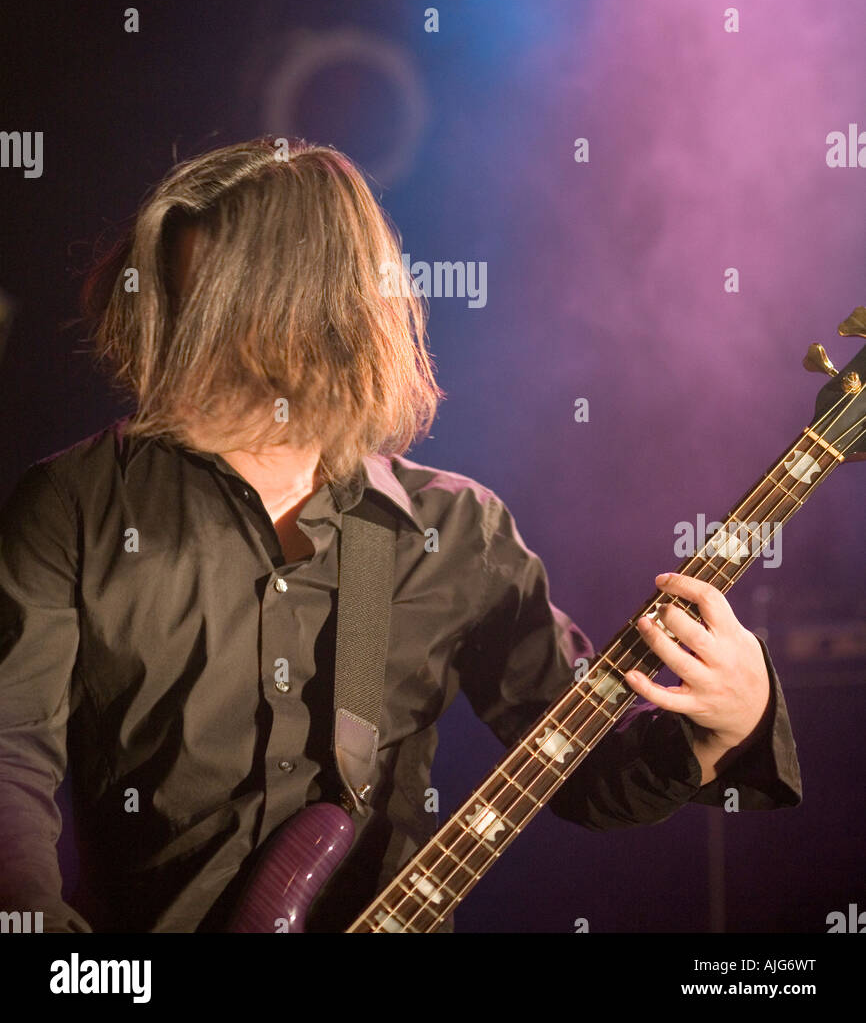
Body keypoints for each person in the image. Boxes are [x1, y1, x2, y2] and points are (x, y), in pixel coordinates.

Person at [0, 136, 801, 934]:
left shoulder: (456, 533)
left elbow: (588, 779)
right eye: (172, 316)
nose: (177, 359)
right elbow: (10, 762)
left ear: (325, 320)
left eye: (217, 327)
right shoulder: (72, 507)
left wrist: (730, 720)